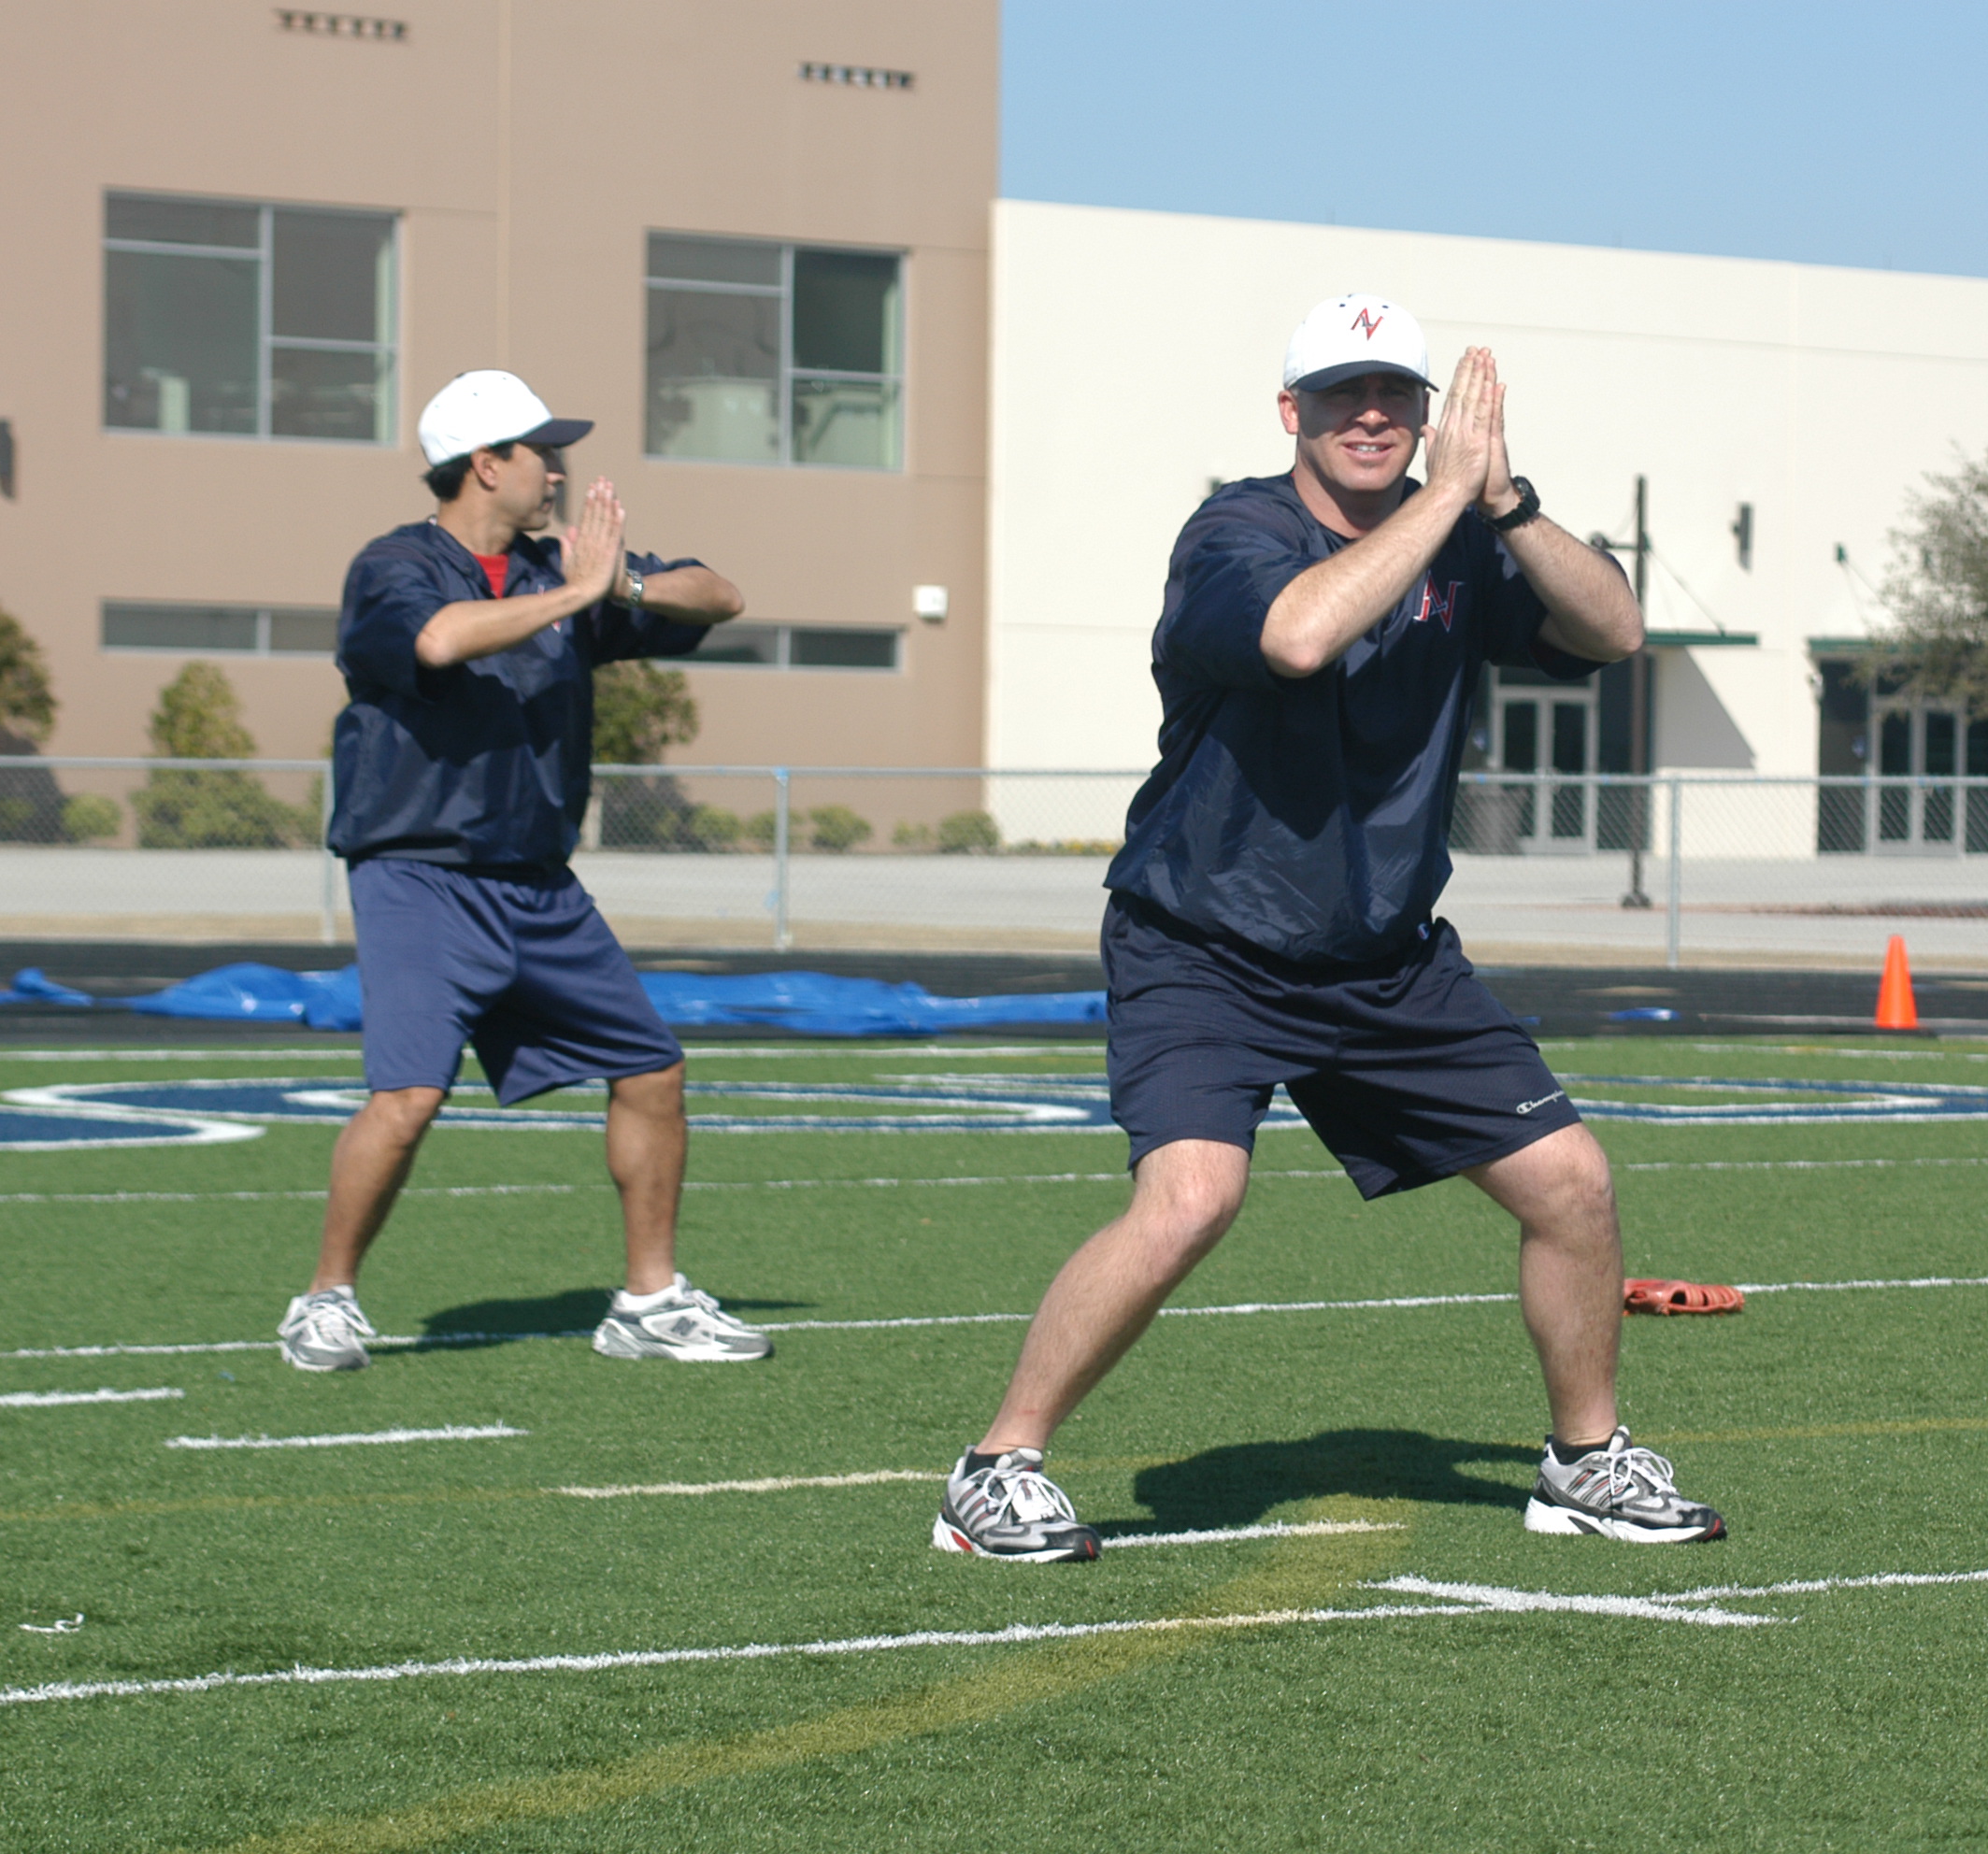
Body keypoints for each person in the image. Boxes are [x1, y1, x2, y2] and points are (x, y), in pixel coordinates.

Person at [931, 294, 1725, 1562]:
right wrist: (1441, 503)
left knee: (1572, 1185)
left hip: (1384, 956)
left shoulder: (1464, 534)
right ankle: (995, 1466)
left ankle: (1584, 1461)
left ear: (1425, 415)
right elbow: (1299, 635)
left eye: (1397, 397)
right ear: (1290, 412)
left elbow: (1614, 630)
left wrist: (1505, 508)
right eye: (1345, 395)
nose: (1374, 416)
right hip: (1204, 940)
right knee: (1191, 1199)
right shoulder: (1234, 532)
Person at [277, 369, 773, 1373]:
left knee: (651, 1070)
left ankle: (648, 1299)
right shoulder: (396, 564)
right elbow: (439, 638)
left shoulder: (565, 571)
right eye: (539, 450)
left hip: (538, 884)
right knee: (409, 1097)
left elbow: (721, 596)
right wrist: (576, 591)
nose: (557, 468)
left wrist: (614, 582)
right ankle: (324, 1300)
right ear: (484, 464)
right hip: (420, 876)